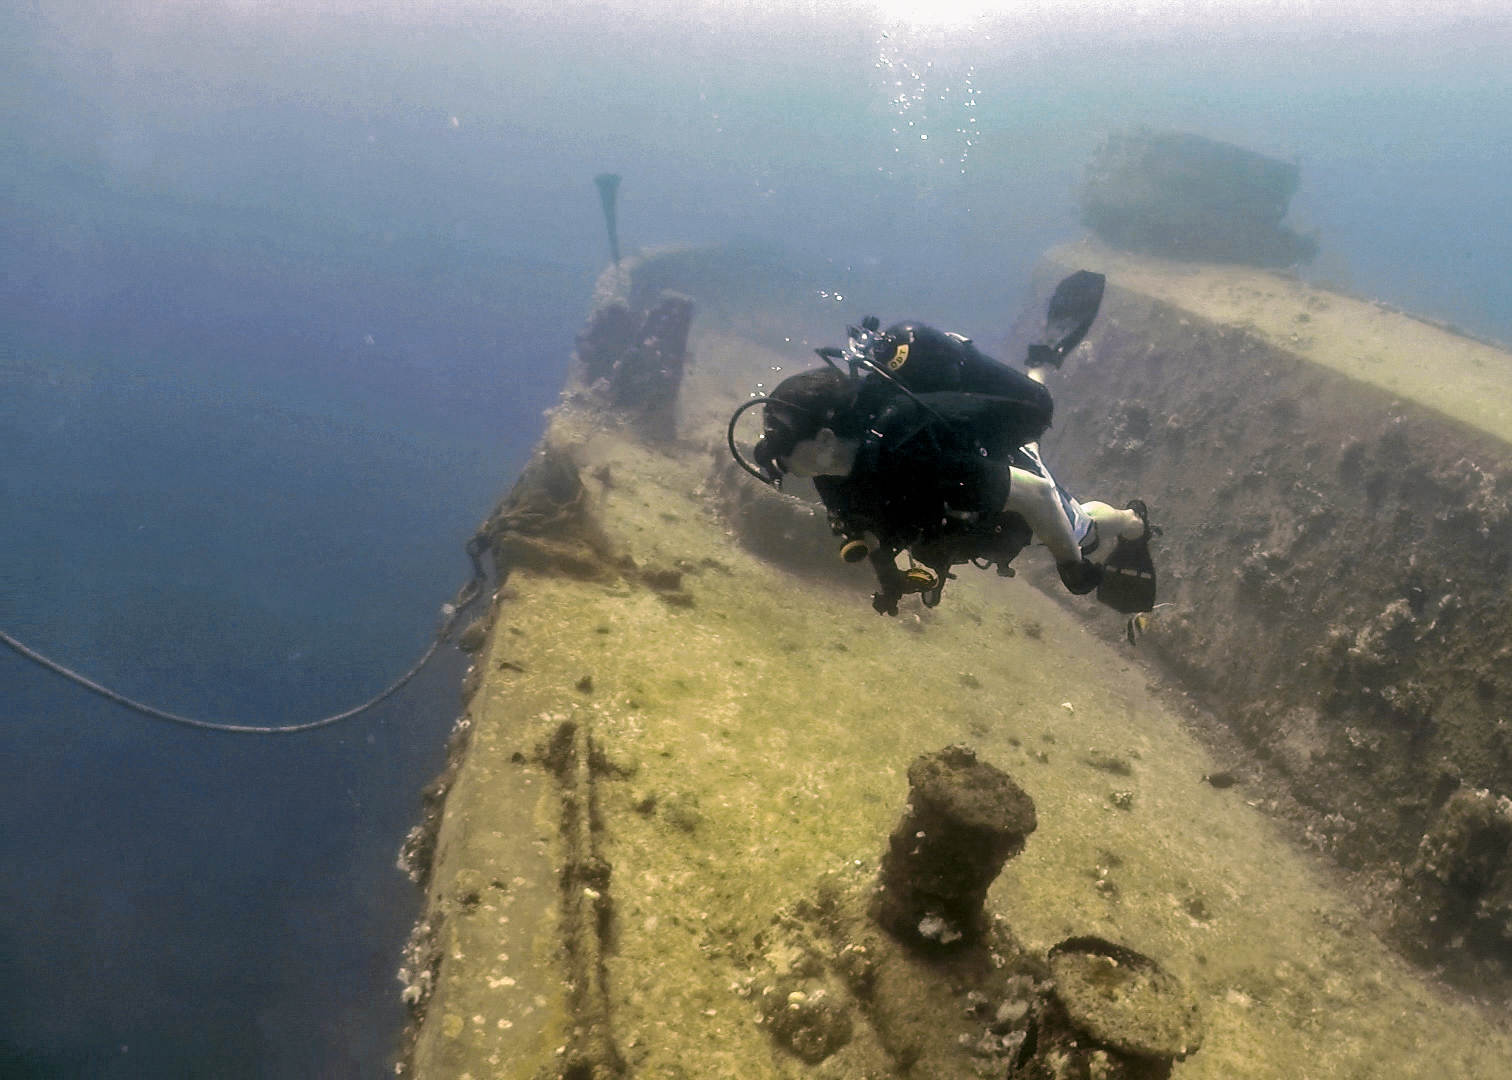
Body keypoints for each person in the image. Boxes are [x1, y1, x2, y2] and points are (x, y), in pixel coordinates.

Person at [736, 280, 1157, 616]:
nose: (781, 462)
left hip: (1005, 462)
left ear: (825, 439)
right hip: (967, 458)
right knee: (1031, 438)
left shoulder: (908, 454)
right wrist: (891, 580)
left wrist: (1073, 569)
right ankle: (1040, 361)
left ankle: (1133, 521)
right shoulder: (831, 468)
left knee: (1081, 528)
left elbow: (1034, 493)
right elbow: (866, 527)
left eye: (786, 446)